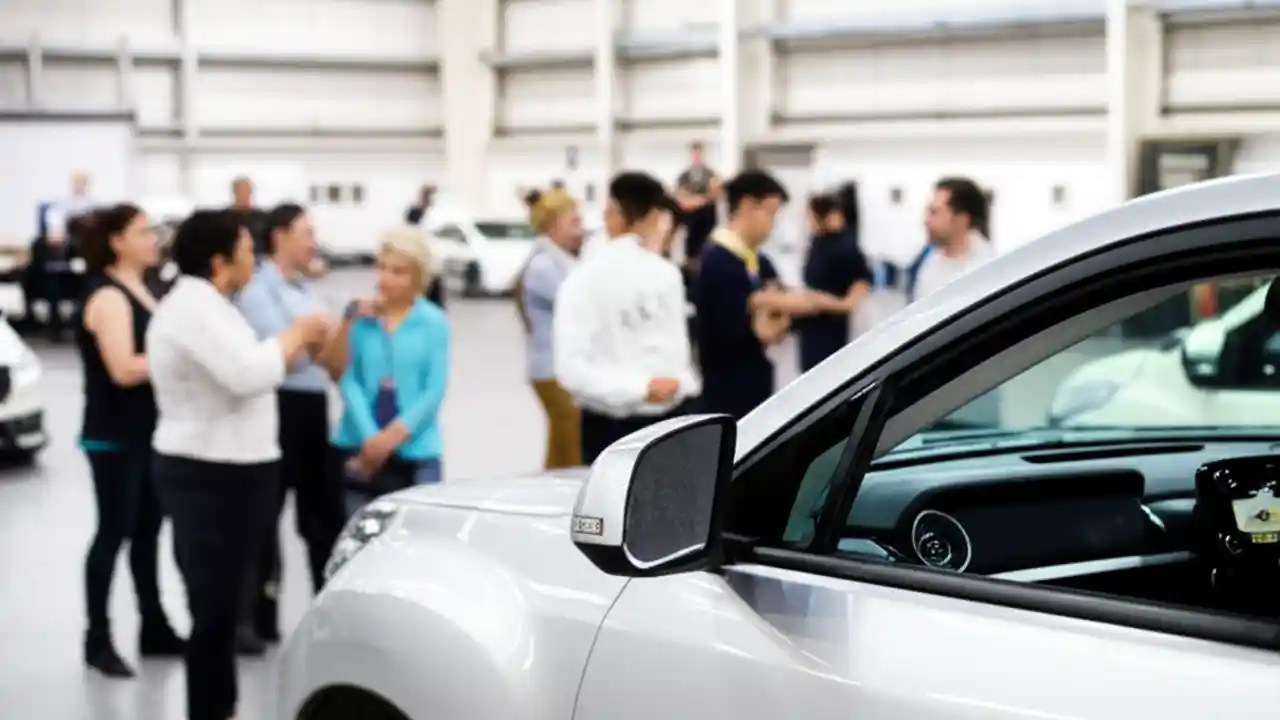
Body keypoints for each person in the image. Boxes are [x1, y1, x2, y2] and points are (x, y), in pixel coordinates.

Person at [147, 210, 330, 720]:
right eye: (247, 250)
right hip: (206, 475)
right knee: (213, 612)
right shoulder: (192, 309)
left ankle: (220, 707)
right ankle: (210, 709)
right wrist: (296, 335)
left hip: (236, 471)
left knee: (224, 610)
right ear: (219, 261)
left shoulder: (214, 304)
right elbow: (247, 373)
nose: (255, 259)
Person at [77, 203, 185, 679]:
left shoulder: (148, 287)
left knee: (147, 533)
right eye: (142, 232)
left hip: (148, 434)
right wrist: (184, 361)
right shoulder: (109, 297)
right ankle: (96, 638)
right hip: (114, 437)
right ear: (117, 241)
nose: (153, 240)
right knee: (113, 533)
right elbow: (123, 369)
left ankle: (154, 626)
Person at [235, 203, 346, 650]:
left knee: (323, 519)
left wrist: (311, 337)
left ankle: (329, 612)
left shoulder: (307, 292)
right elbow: (287, 355)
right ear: (279, 236)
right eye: (305, 231)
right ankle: (256, 619)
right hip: (276, 406)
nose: (312, 240)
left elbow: (333, 357)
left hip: (314, 407)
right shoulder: (259, 290)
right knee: (263, 517)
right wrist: (310, 339)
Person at [555, 173, 701, 464]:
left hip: (609, 429)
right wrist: (656, 387)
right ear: (656, 217)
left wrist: (641, 388)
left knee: (611, 508)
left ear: (613, 214)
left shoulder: (581, 280)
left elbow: (570, 369)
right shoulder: (667, 275)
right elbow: (681, 363)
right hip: (669, 423)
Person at [332, 225, 450, 516]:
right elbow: (349, 379)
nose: (385, 279)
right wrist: (371, 438)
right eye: (382, 268)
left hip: (416, 451)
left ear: (418, 278)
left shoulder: (433, 323)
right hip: (360, 447)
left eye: (398, 272)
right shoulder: (362, 318)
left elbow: (433, 390)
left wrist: (391, 438)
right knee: (361, 540)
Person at [694, 170, 830, 420]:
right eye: (770, 213)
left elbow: (784, 311)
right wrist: (765, 302)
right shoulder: (717, 261)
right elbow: (754, 329)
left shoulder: (758, 260)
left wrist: (766, 303)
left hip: (755, 384)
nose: (773, 223)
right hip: (726, 392)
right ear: (747, 206)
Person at [516, 187, 584, 469]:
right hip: (551, 369)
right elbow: (577, 305)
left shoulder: (560, 260)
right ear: (553, 223)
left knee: (560, 443)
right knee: (571, 441)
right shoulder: (543, 265)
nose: (580, 230)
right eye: (574, 222)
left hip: (558, 368)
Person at [796, 194, 873, 372]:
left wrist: (820, 301)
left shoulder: (847, 249)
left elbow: (853, 301)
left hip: (834, 334)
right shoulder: (817, 241)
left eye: (811, 217)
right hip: (811, 329)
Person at [914, 176, 994, 301]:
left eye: (935, 212)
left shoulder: (987, 269)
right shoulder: (930, 265)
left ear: (961, 220)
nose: (927, 221)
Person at [674, 141, 720, 269]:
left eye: (699, 153)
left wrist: (700, 200)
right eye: (694, 153)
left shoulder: (710, 174)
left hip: (707, 218)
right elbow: (679, 195)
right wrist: (696, 200)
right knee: (691, 250)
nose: (696, 156)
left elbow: (716, 192)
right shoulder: (684, 176)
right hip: (691, 218)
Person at [227, 176, 270, 258]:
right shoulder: (224, 219)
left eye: (246, 191)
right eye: (240, 191)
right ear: (234, 193)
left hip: (259, 262)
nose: (243, 195)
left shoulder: (264, 218)